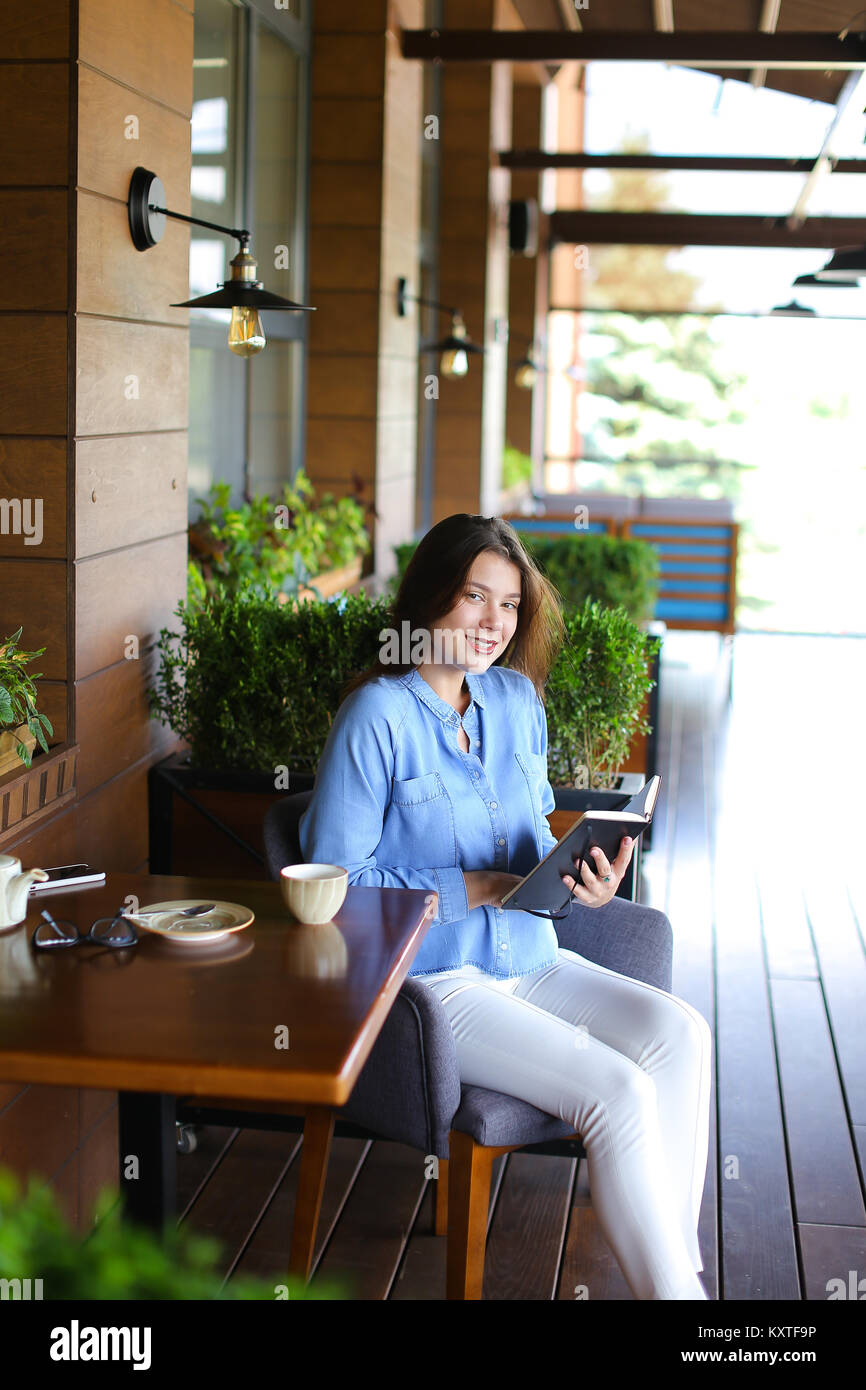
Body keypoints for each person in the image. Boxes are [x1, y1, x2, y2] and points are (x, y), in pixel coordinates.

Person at [299, 513, 712, 1300]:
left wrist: (583, 872)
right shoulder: (376, 719)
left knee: (681, 1036)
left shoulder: (518, 702)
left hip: (532, 957)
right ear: (429, 600)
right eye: (473, 598)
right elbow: (336, 894)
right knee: (617, 1090)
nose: (495, 622)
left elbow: (532, 834)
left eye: (511, 604)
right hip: (435, 986)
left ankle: (676, 1276)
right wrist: (476, 887)